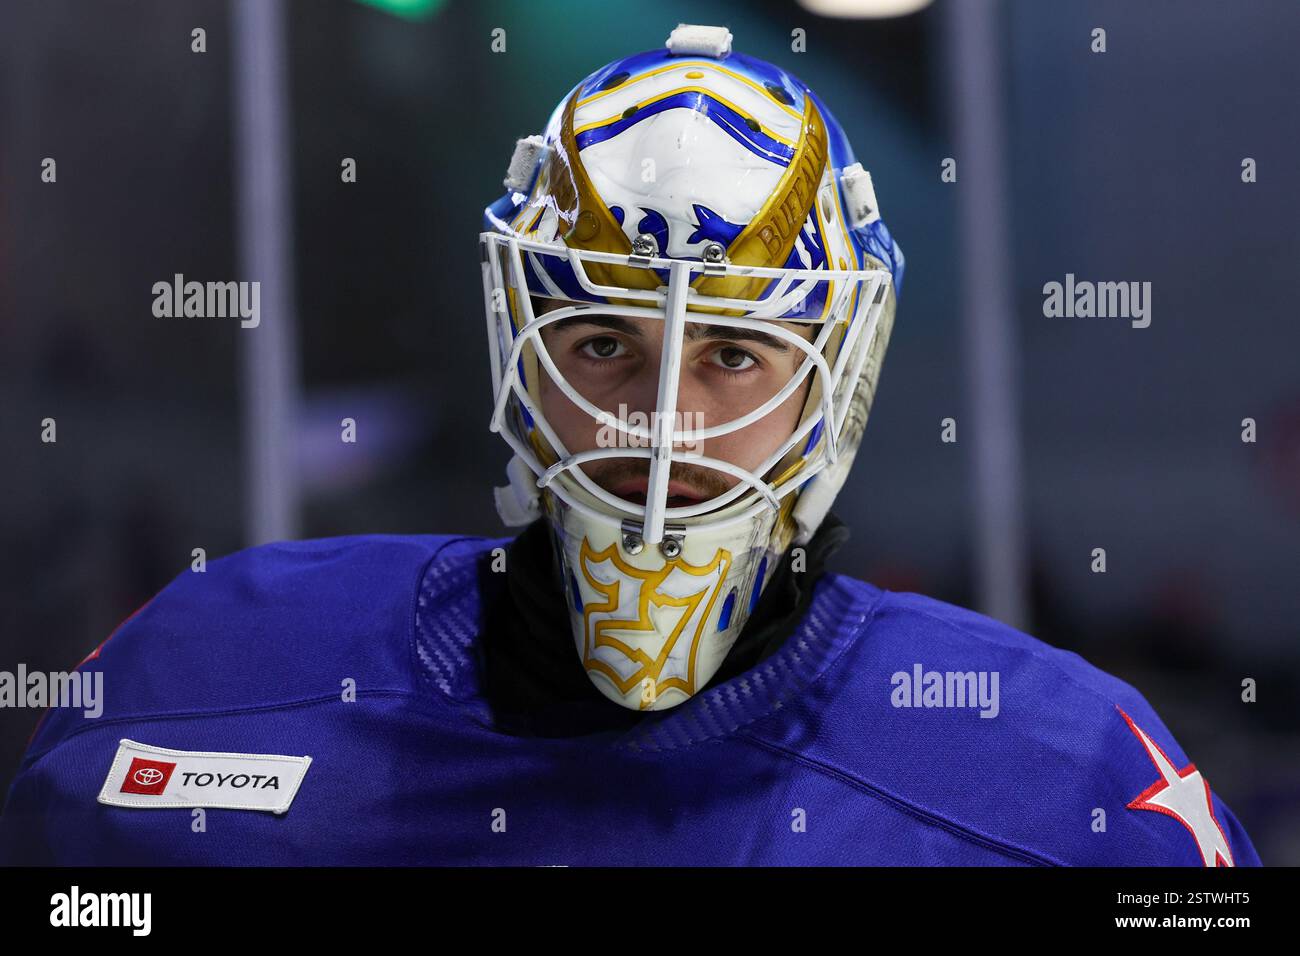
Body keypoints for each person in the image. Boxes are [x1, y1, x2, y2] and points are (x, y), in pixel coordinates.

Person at [0, 24, 1259, 866]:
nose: (662, 423)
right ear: (517, 346)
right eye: (602, 342)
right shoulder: (202, 678)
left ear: (839, 383)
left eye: (733, 354)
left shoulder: (1061, 784)